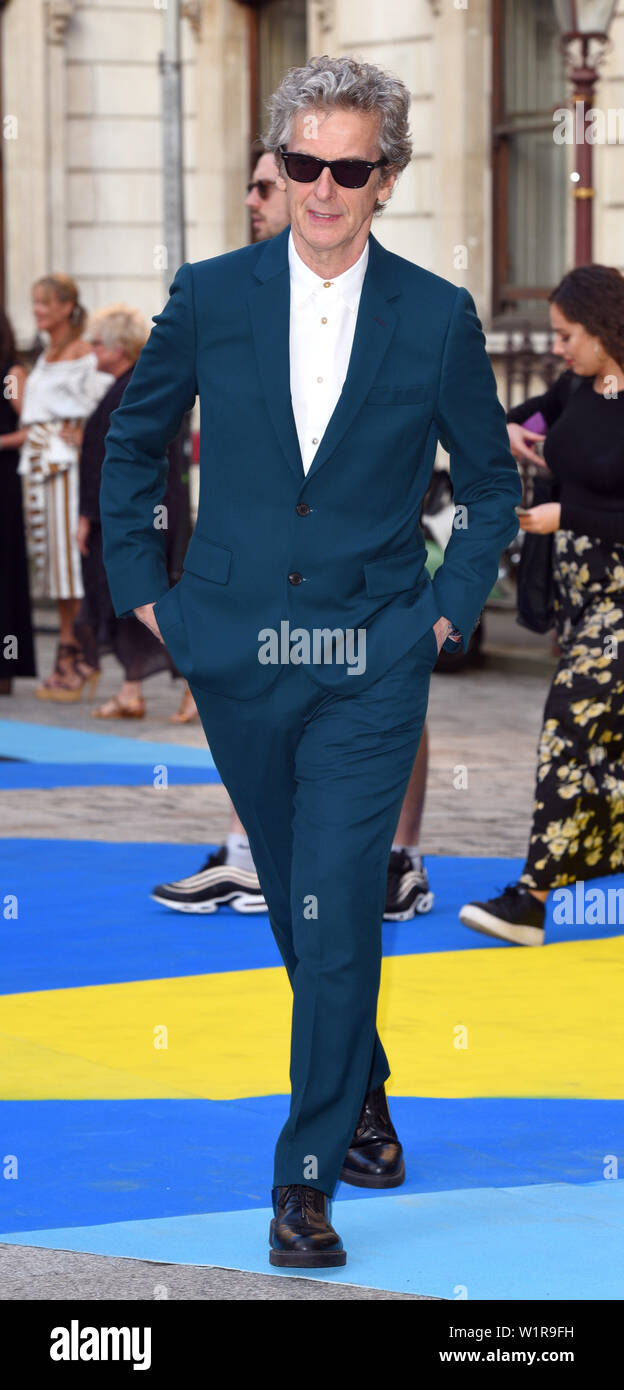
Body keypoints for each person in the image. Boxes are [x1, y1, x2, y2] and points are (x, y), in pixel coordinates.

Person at [100, 54, 521, 1268]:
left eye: (349, 168)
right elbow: (134, 451)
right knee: (297, 899)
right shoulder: (212, 293)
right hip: (234, 647)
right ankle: (370, 1091)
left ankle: (304, 1180)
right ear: (277, 171)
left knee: (338, 899)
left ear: (384, 178)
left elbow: (489, 490)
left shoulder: (436, 316)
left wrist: (444, 612)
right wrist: (151, 602)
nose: (323, 189)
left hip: (369, 655)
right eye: (303, 165)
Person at [153, 144, 435, 922]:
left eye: (264, 186)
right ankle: (255, 849)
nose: (255, 199)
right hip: (257, 549)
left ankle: (398, 857)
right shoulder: (231, 294)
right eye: (257, 184)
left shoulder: (390, 300)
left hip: (364, 548)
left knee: (383, 684)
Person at [459, 264, 624, 947]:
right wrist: (514, 435)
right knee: (603, 751)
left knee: (569, 723)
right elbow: (513, 419)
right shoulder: (578, 387)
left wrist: (569, 515)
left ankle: (532, 897)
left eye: (567, 335)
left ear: (606, 328)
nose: (557, 348)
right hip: (584, 600)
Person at [75, 304, 187, 717]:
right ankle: (131, 688)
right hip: (144, 509)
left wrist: (89, 515)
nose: (91, 351)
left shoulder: (131, 388)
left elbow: (111, 460)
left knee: (143, 597)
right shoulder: (132, 384)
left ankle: (193, 685)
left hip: (136, 513)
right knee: (134, 598)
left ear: (118, 348)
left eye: (97, 343)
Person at [17, 273, 113, 700]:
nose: (37, 310)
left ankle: (74, 653)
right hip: (40, 462)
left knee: (68, 562)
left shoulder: (80, 352)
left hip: (63, 466)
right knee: (52, 560)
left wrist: (85, 433)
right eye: (35, 302)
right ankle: (69, 649)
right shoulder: (46, 353)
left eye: (43, 303)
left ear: (63, 307)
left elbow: (109, 395)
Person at [0, 309, 37, 693]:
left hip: (4, 484)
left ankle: (6, 669)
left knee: (5, 571)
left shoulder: (12, 373)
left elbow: (30, 428)